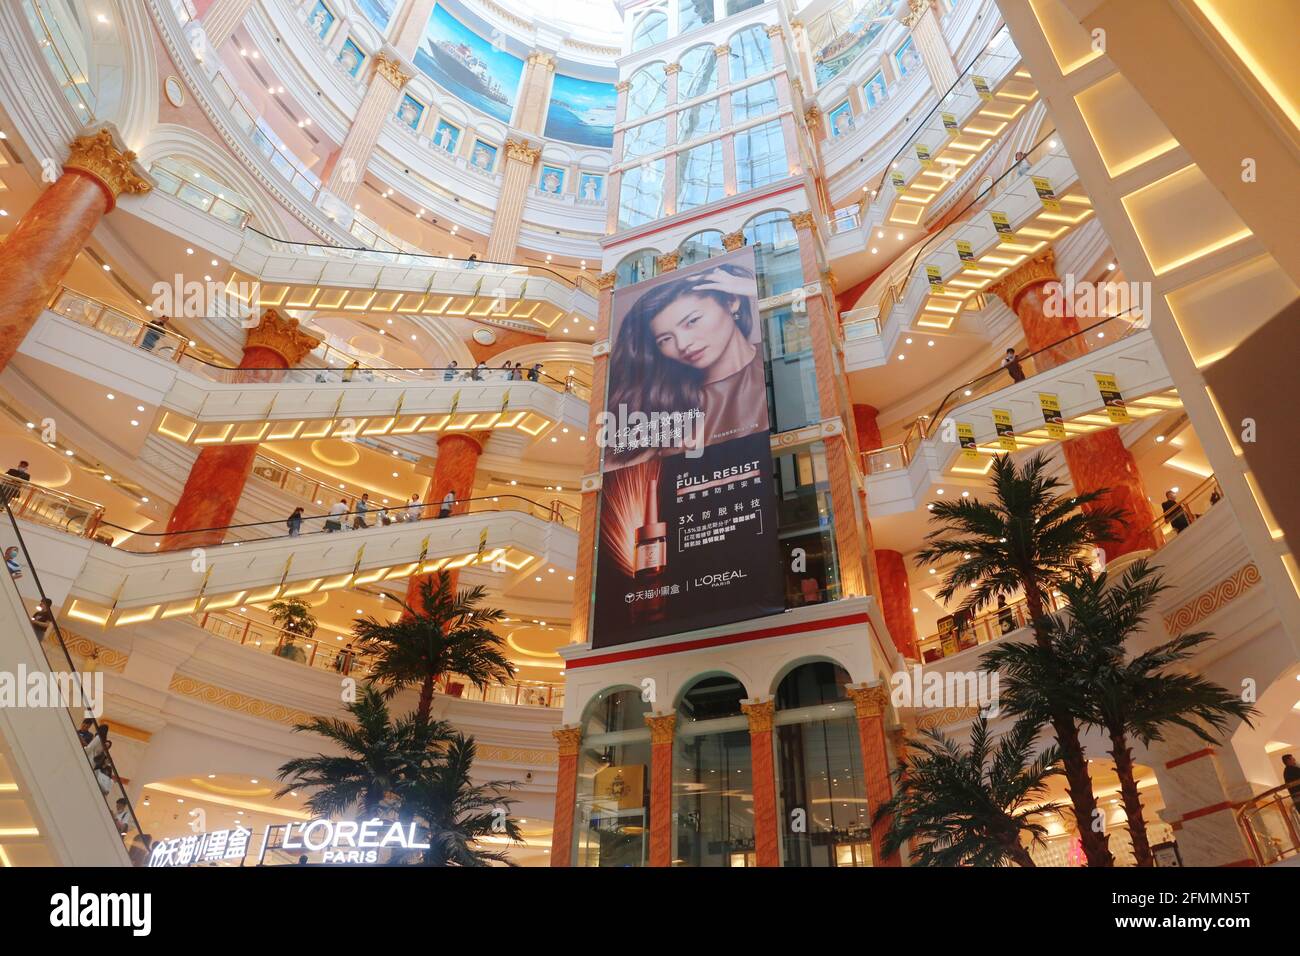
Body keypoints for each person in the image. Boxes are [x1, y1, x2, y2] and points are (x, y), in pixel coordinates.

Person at [606, 263, 767, 467]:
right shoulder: (665, 405)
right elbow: (617, 472)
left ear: (731, 301)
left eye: (692, 321)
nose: (682, 344)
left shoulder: (773, 366)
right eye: (665, 339)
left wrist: (756, 290)